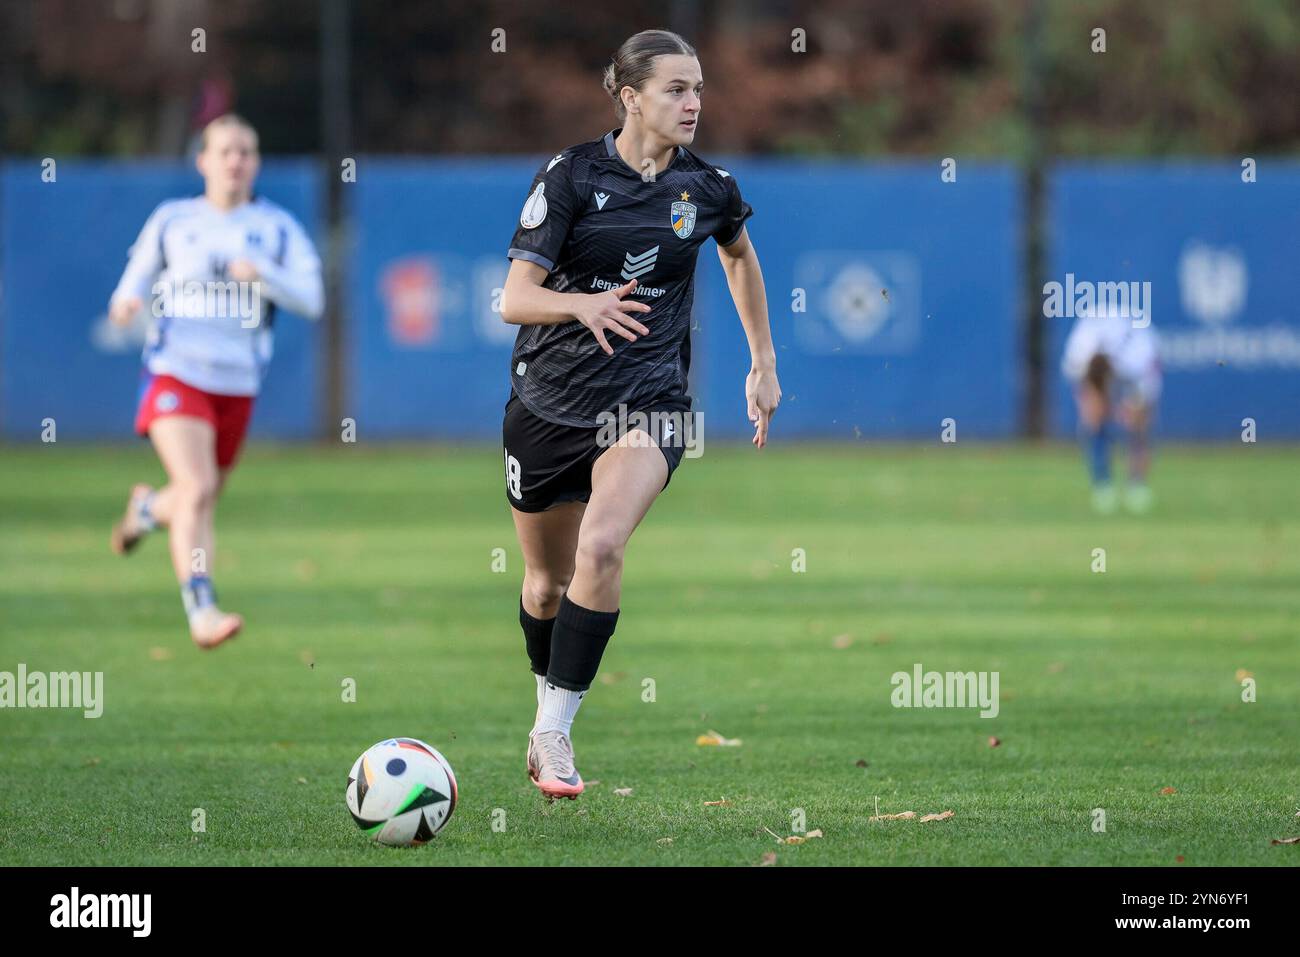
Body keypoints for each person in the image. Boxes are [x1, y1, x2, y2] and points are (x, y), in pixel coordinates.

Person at [499, 29, 781, 799]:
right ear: (630, 97)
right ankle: (543, 707)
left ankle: (555, 732)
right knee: (546, 584)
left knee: (604, 544)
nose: (693, 104)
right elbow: (513, 299)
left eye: (698, 89)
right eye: (675, 90)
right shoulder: (570, 177)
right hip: (547, 405)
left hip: (650, 404)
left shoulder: (709, 187)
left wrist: (763, 361)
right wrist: (581, 305)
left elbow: (737, 253)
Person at [107, 114, 324, 647]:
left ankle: (143, 510)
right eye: (224, 151)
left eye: (245, 152)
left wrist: (265, 275)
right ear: (202, 160)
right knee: (198, 488)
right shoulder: (174, 219)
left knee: (195, 495)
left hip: (238, 383)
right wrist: (125, 304)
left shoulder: (277, 228)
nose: (235, 161)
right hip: (176, 371)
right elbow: (129, 286)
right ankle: (202, 609)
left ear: (256, 163)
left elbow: (313, 300)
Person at [1060, 304, 1161, 514]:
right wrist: (1096, 407)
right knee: (1094, 421)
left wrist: (1129, 409)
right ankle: (1102, 483)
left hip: (1137, 371)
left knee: (1138, 425)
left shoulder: (1139, 356)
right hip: (1095, 366)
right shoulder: (1082, 350)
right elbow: (1081, 389)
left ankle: (1137, 484)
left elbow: (1146, 395)